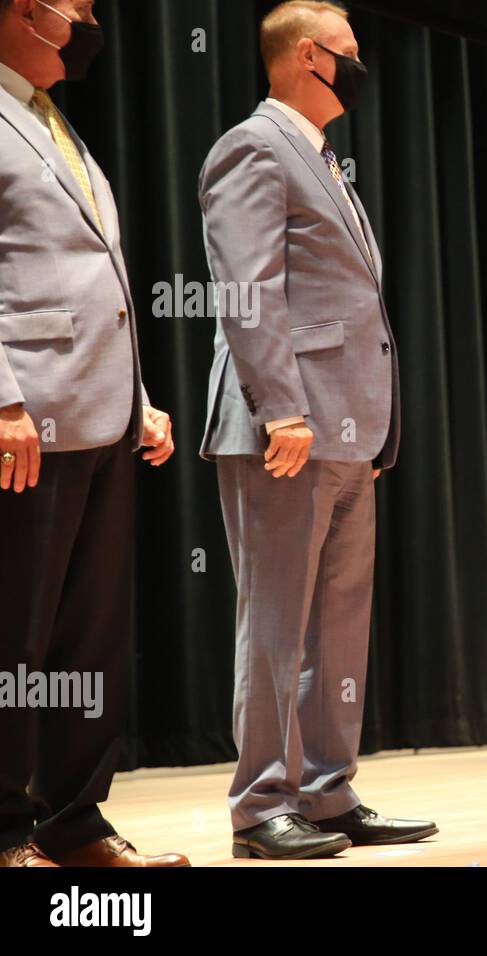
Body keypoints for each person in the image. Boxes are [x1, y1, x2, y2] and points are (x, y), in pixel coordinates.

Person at [198, 0, 433, 858]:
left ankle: (328, 791)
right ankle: (262, 806)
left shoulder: (323, 156)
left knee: (337, 624)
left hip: (349, 429)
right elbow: (246, 289)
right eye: (351, 54)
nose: (361, 67)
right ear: (308, 56)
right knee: (275, 624)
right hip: (286, 427)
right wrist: (283, 409)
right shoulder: (253, 145)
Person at [0, 0, 186, 867]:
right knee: (16, 635)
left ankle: (73, 819)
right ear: (21, 13)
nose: (86, 22)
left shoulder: (56, 124)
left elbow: (96, 281)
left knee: (90, 634)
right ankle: (3, 831)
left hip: (100, 415)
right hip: (27, 419)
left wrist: (140, 394)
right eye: (73, 8)